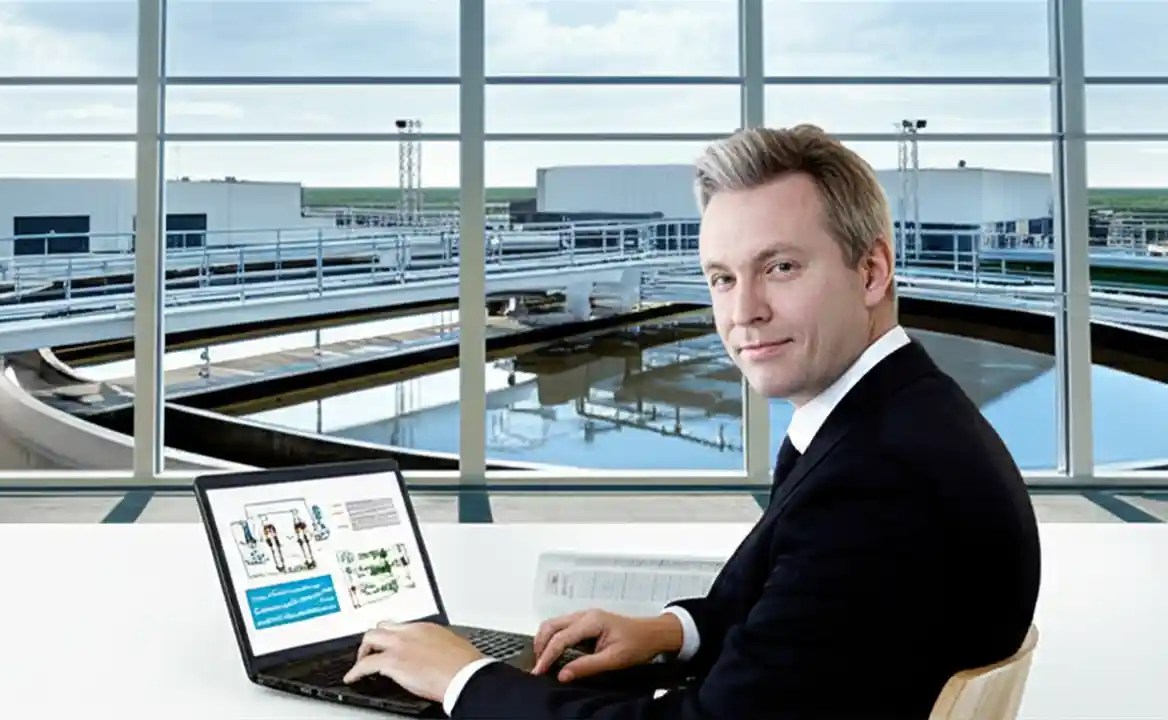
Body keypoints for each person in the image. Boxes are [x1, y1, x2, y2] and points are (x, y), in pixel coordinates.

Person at [343, 124, 1042, 719]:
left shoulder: (879, 480)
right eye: (723, 277)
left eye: (781, 267)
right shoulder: (892, 412)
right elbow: (792, 598)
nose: (744, 312)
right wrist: (669, 632)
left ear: (871, 272)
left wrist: (463, 681)